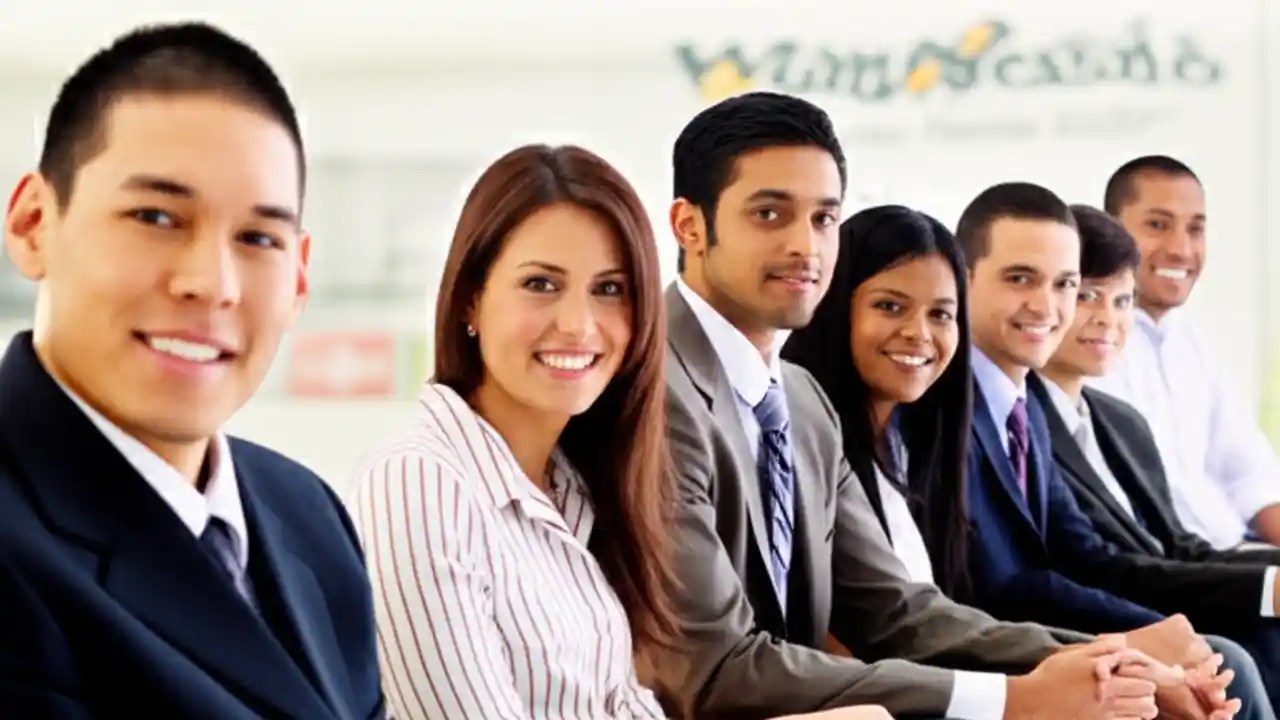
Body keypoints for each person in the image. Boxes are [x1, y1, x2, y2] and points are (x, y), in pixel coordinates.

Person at [655, 90, 1172, 720]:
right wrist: (1014, 698)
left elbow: (894, 612)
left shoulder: (801, 399)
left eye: (823, 219)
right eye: (769, 214)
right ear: (689, 226)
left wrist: (1107, 663)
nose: (806, 247)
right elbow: (716, 671)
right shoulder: (652, 390)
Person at [349, 144, 889, 720]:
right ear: (471, 301)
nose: (578, 325)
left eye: (609, 289)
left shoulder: (572, 488)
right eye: (540, 284)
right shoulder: (423, 485)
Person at [0, 22, 384, 719]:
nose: (212, 284)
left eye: (258, 237)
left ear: (299, 277)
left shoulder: (309, 514)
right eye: (156, 217)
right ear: (33, 224)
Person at [782, 203, 1270, 718]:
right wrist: (1115, 654)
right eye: (889, 306)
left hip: (966, 666)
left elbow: (925, 615)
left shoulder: (934, 432)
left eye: (940, 314)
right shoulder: (815, 436)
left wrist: (1114, 658)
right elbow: (916, 620)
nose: (919, 333)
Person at [958, 181, 1268, 719]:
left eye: (1064, 285)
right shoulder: (955, 406)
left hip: (1057, 621)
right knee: (1230, 659)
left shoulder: (1026, 406)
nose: (1047, 305)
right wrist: (1143, 634)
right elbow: (1005, 583)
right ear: (963, 281)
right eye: (1020, 279)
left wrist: (1154, 633)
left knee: (1223, 661)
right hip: (992, 645)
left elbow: (1089, 553)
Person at [1033, 202, 1280, 707]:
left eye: (1123, 301)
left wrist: (1271, 577)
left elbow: (1179, 545)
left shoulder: (1121, 421)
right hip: (1117, 615)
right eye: (1087, 296)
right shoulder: (1023, 423)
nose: (1107, 319)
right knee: (1242, 651)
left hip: (1175, 598)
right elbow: (1096, 567)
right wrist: (1269, 588)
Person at [1089, 156, 1280, 549]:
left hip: (1233, 554)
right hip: (1177, 567)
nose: (1181, 249)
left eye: (1195, 229)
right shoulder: (1092, 347)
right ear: (1112, 232)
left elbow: (1251, 475)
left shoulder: (1192, 343)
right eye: (1157, 225)